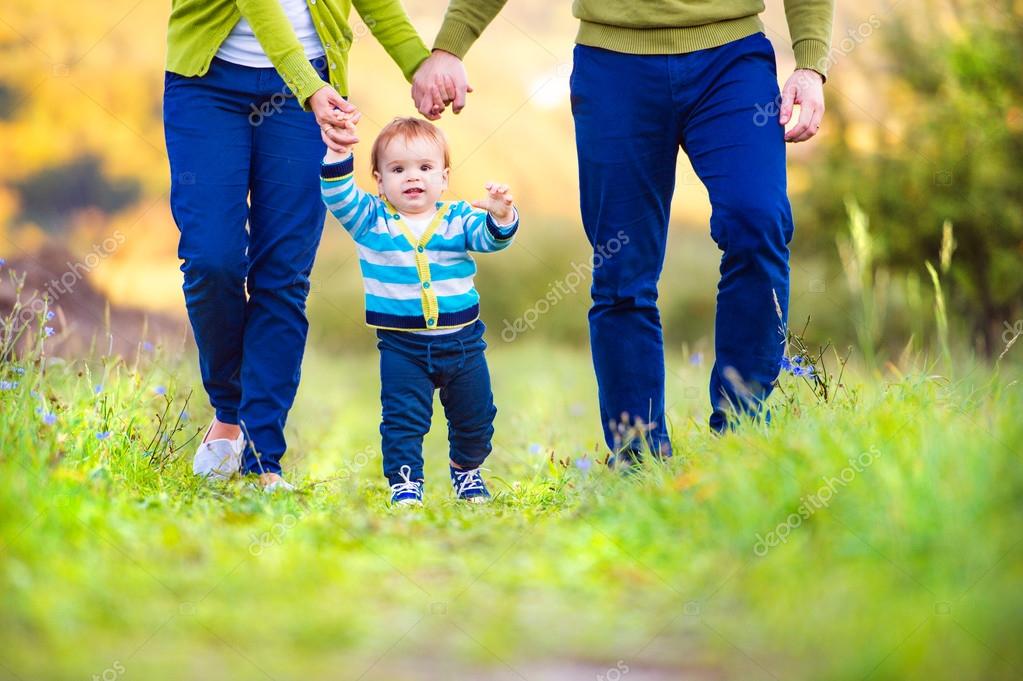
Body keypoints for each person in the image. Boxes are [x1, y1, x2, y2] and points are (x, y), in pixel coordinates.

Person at [412, 0, 833, 463]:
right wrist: (451, 46)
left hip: (731, 60)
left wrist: (810, 64)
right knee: (622, 268)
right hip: (614, 67)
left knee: (758, 221)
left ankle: (743, 435)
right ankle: (638, 455)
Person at [163, 0, 431, 490]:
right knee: (211, 260)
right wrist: (310, 87)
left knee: (283, 275)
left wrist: (423, 65)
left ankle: (262, 456)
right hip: (209, 85)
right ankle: (229, 408)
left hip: (305, 94)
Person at [319, 117, 519, 505]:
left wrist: (501, 216)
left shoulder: (459, 218)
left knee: (476, 417)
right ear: (379, 181)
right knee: (402, 420)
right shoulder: (371, 220)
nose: (413, 177)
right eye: (398, 169)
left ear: (443, 178)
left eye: (425, 168)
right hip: (402, 348)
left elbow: (491, 240)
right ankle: (405, 483)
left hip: (463, 343)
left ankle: (467, 470)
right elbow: (338, 194)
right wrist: (339, 152)